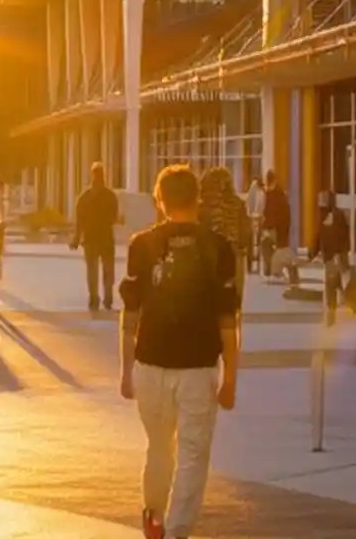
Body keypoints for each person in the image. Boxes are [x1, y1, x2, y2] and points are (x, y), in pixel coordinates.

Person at [119, 165, 240, 539]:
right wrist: (231, 377)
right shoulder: (218, 248)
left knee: (158, 447)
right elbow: (227, 322)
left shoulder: (141, 245)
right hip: (198, 369)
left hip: (150, 364)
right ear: (197, 200)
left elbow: (130, 314)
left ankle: (154, 518)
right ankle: (177, 531)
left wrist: (125, 370)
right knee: (192, 454)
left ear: (160, 200)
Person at [70, 161, 120, 310]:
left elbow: (80, 221)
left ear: (92, 176)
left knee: (92, 271)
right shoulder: (111, 196)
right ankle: (108, 298)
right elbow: (114, 217)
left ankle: (94, 298)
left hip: (91, 238)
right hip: (105, 238)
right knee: (108, 270)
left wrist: (76, 239)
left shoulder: (85, 197)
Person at [198, 166, 251, 302]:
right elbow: (246, 233)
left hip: (206, 256)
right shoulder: (238, 204)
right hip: (234, 254)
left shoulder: (201, 206)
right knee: (233, 298)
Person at [313, 190, 352, 327]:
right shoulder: (337, 215)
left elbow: (320, 238)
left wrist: (314, 252)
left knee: (331, 285)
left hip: (331, 256)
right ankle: (343, 307)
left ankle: (331, 315)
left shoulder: (327, 217)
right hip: (337, 255)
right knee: (337, 283)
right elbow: (345, 235)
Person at [259, 171, 291, 276]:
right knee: (267, 247)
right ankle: (271, 270)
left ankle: (271, 270)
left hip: (273, 228)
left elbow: (271, 213)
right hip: (272, 228)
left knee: (268, 247)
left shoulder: (275, 196)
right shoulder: (277, 195)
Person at [245, 177, 265, 272]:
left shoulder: (252, 191)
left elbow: (248, 206)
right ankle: (257, 266)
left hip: (251, 219)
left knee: (252, 244)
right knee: (257, 242)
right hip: (258, 218)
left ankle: (251, 266)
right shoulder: (261, 193)